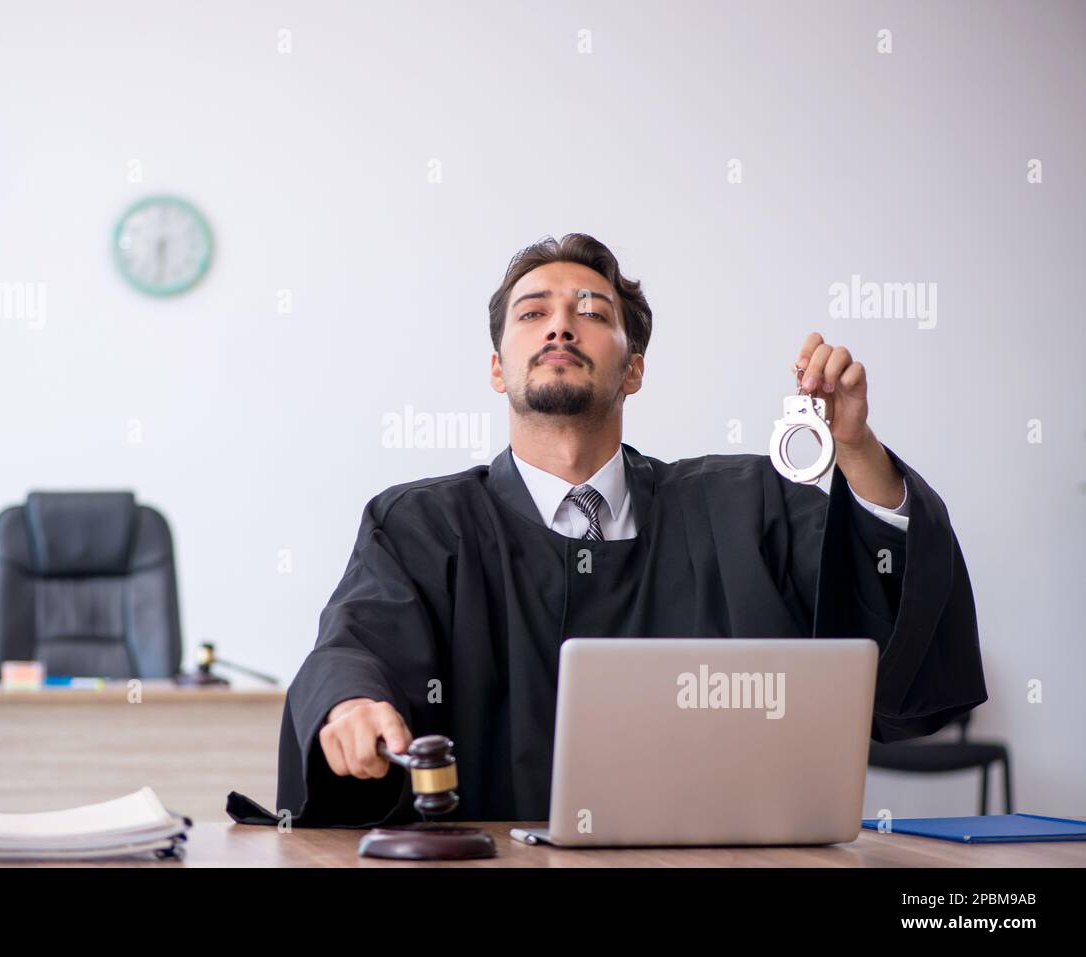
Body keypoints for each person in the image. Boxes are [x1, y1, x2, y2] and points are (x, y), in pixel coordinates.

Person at [227, 233, 987, 828]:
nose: (561, 323)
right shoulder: (422, 525)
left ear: (634, 370)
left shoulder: (747, 504)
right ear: (499, 368)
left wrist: (857, 451)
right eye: (533, 313)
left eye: (592, 311)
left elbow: (885, 632)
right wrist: (349, 703)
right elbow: (352, 646)